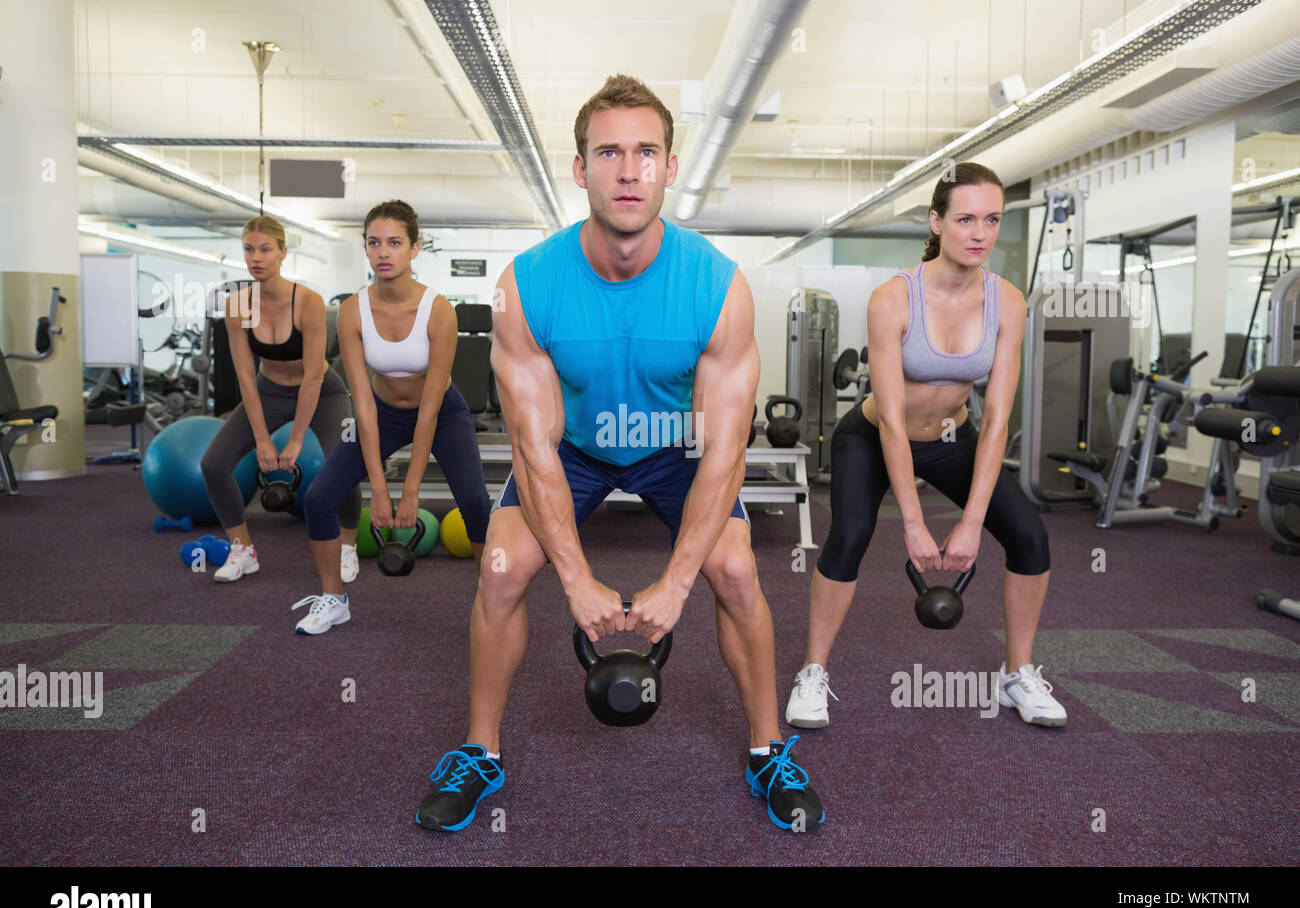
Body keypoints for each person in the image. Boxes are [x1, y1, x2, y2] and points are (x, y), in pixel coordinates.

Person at [415, 75, 823, 834]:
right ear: (580, 169)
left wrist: (673, 585)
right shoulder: (528, 286)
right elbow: (534, 452)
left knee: (735, 567)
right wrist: (575, 580)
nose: (628, 170)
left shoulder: (717, 287)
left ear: (670, 167)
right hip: (572, 449)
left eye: (646, 152)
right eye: (609, 152)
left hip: (675, 446)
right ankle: (480, 750)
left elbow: (725, 452)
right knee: (501, 568)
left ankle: (770, 748)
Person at [786, 162, 1064, 730]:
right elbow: (890, 420)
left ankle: (1017, 673)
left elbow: (997, 420)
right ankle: (812, 672)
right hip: (872, 437)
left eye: (991, 219)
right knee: (851, 536)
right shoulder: (894, 299)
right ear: (937, 223)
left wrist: (971, 522)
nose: (979, 233)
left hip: (950, 438)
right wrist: (913, 523)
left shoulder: (1008, 302)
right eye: (965, 219)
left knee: (1029, 536)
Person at [295, 200, 491, 635]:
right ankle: (334, 598)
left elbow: (431, 407)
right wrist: (377, 491)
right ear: (365, 249)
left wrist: (411, 491)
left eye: (395, 243)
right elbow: (361, 400)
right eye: (374, 243)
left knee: (476, 500)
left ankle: (493, 602)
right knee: (319, 497)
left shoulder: (439, 310)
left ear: (415, 249)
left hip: (440, 411)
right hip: (380, 412)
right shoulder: (352, 311)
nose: (383, 252)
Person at [200, 215, 360, 585]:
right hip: (268, 389)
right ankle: (243, 550)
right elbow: (244, 376)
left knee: (345, 463)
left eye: (265, 249)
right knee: (214, 463)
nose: (256, 257)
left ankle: (348, 548)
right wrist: (260, 438)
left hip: (321, 391)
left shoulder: (308, 302)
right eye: (249, 249)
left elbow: (314, 375)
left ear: (283, 252)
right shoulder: (237, 305)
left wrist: (296, 439)